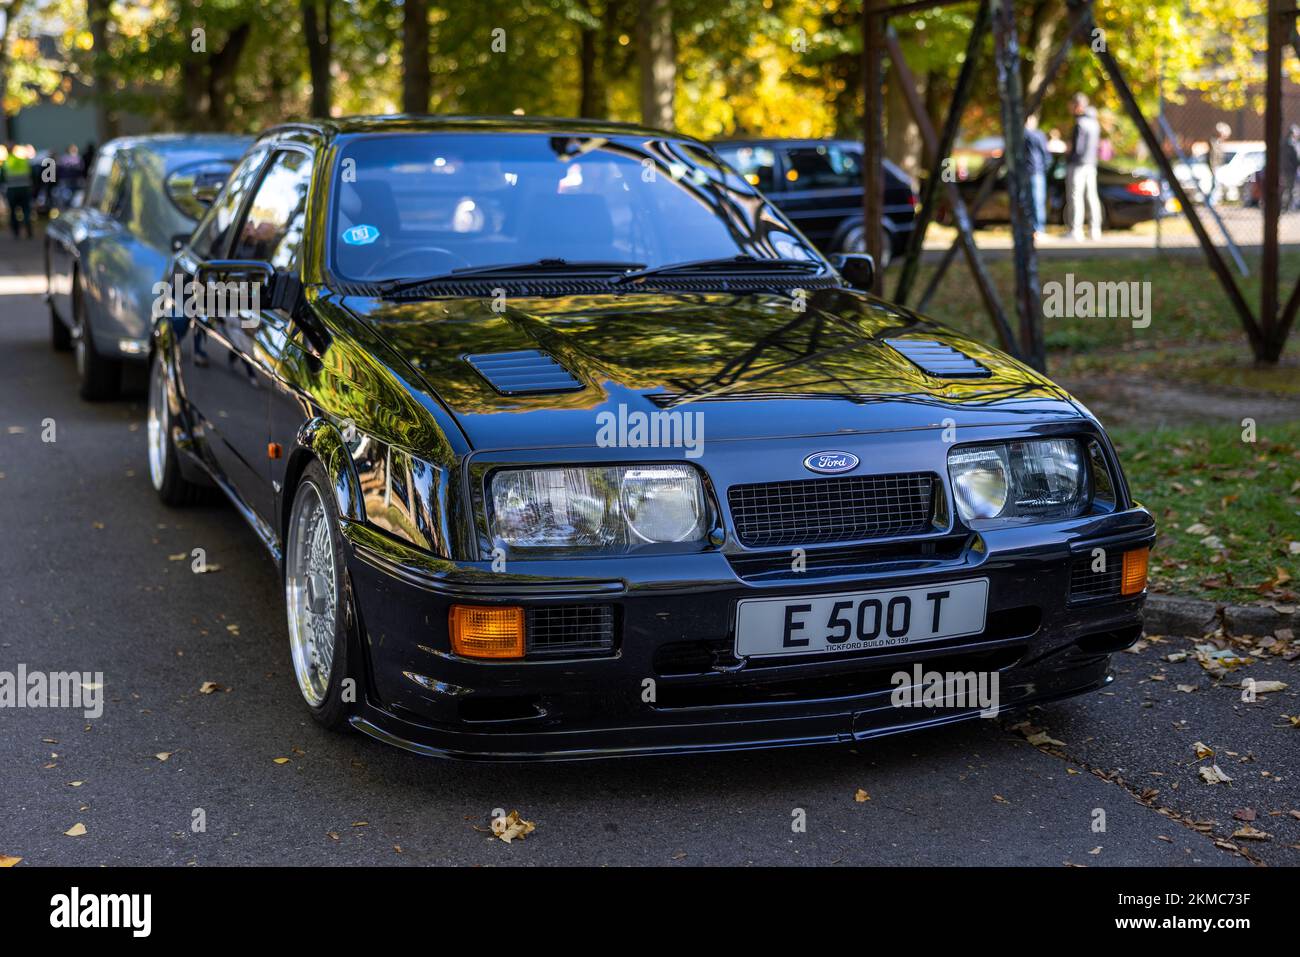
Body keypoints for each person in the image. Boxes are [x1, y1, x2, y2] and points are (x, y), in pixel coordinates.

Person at [1065, 92, 1102, 241]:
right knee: (1092, 196)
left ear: (1078, 106)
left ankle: (1076, 230)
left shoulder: (1080, 124)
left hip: (1078, 164)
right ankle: (1095, 229)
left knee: (1075, 197)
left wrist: (1067, 151)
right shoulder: (1094, 123)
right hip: (1091, 164)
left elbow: (1077, 148)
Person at [1024, 114, 1050, 238]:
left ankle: (1038, 228)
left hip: (1035, 171)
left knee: (1036, 201)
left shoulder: (1035, 135)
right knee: (1030, 201)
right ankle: (1032, 228)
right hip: (1031, 171)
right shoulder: (1031, 135)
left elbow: (1045, 155)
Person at [1, 142, 35, 239]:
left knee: (13, 212)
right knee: (26, 210)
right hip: (25, 189)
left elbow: (2, 178)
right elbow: (32, 175)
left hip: (12, 190)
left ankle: (16, 233)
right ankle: (28, 229)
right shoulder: (23, 161)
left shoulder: (6, 162)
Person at [1207, 122, 1230, 207]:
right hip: (1215, 167)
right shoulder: (1214, 143)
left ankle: (1213, 201)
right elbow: (1212, 158)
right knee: (1215, 184)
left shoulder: (1218, 143)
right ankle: (1211, 202)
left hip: (1218, 167)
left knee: (1217, 184)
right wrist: (1212, 168)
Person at [1282, 125, 1300, 212]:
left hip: (1288, 171)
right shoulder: (1289, 145)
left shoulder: (1286, 144)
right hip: (1289, 171)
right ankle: (1286, 207)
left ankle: (1286, 207)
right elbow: (1294, 159)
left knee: (1288, 189)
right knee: (1288, 189)